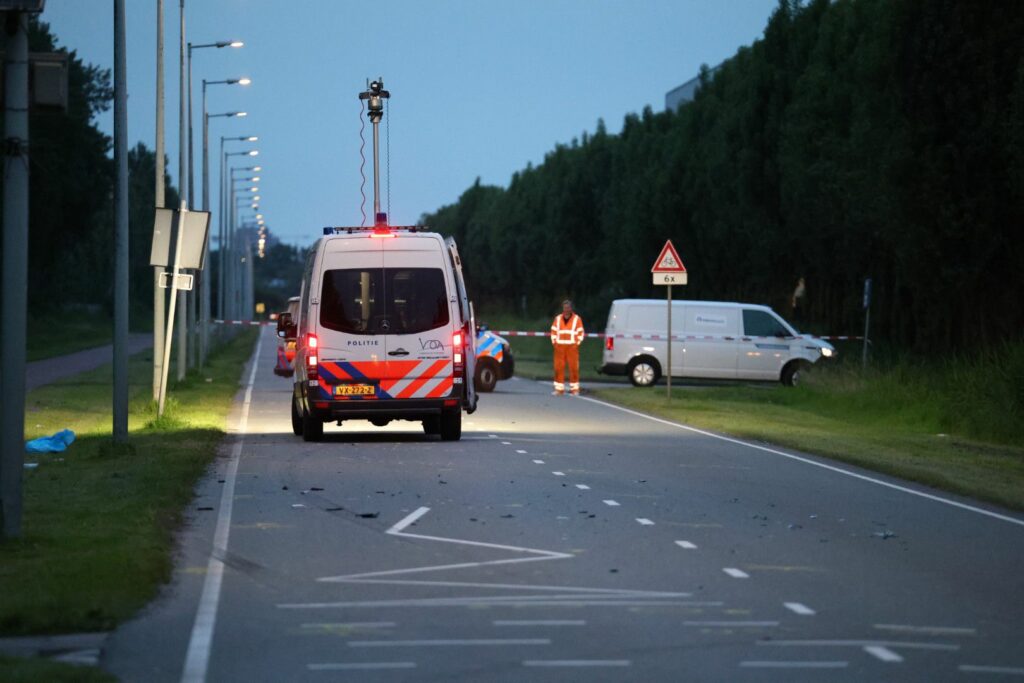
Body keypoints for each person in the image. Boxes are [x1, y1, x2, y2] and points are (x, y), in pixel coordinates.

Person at [550, 299, 584, 396]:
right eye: (565, 308)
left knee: (574, 368)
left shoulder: (577, 319)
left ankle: (575, 390)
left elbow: (580, 333)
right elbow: (553, 332)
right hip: (559, 348)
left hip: (572, 348)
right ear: (563, 308)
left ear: (571, 308)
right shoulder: (557, 319)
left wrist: (576, 344)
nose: (566, 309)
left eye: (568, 308)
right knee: (558, 368)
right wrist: (555, 343)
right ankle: (559, 389)